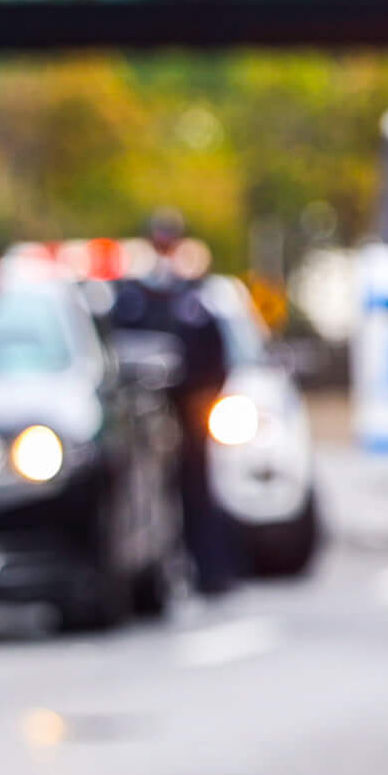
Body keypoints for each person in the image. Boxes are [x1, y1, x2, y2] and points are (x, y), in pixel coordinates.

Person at [110, 211, 240, 597]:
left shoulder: (195, 298)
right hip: (144, 417)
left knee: (197, 492)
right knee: (144, 497)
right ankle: (156, 576)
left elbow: (217, 356)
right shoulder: (131, 297)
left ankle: (210, 570)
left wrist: (206, 398)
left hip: (188, 415)